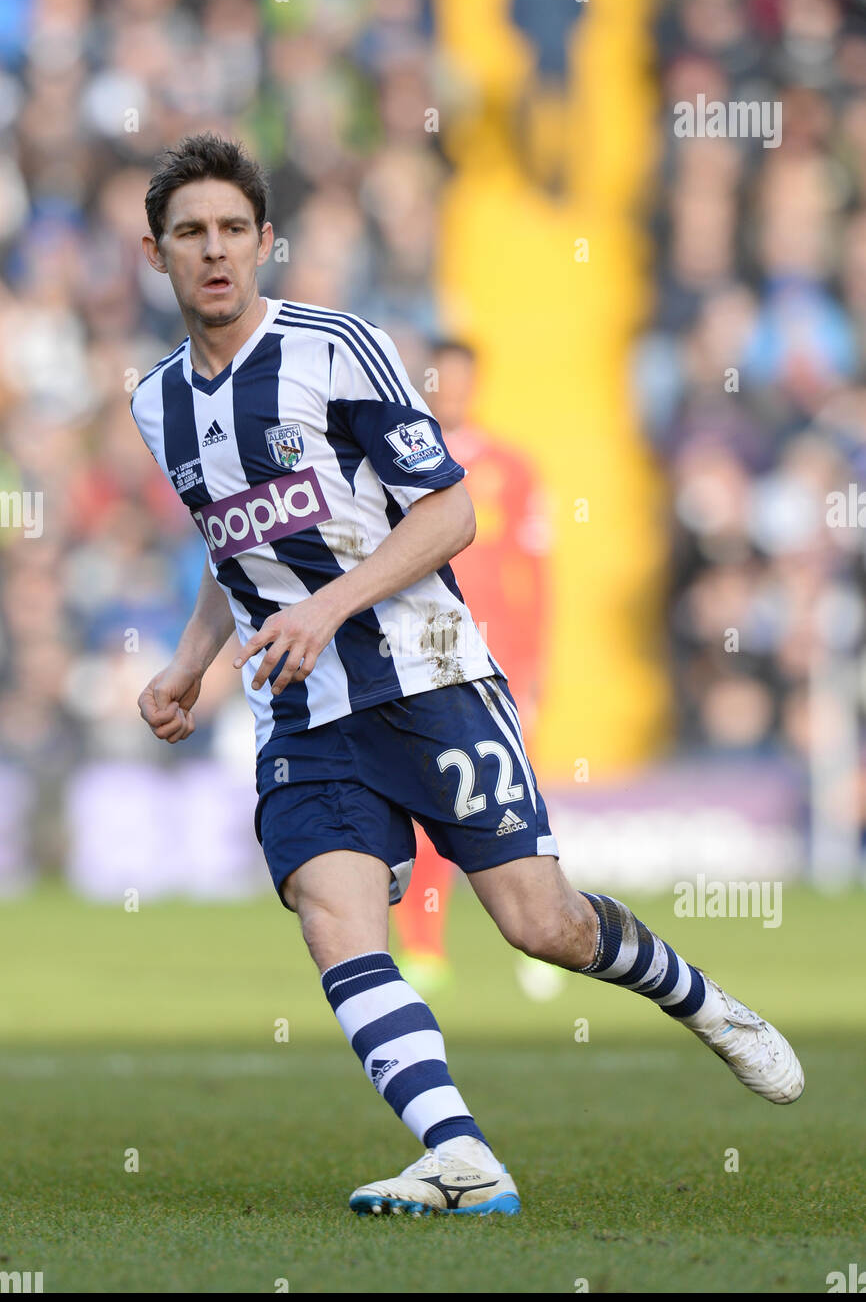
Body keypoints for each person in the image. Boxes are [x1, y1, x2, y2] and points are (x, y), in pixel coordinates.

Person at [133, 134, 803, 1219]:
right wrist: (188, 661)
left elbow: (451, 510)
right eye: (188, 235)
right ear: (154, 254)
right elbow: (233, 545)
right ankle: (460, 1156)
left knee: (543, 925)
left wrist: (329, 604)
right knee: (333, 914)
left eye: (229, 231)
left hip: (427, 676)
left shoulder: (336, 348)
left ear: (265, 241)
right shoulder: (155, 403)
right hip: (303, 708)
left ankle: (704, 1002)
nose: (212, 253)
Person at [393, 339, 554, 997]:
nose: (452, 391)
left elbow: (539, 572)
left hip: (501, 662)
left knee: (515, 804)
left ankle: (543, 936)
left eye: (463, 379)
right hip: (426, 654)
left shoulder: (512, 469)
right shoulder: (398, 463)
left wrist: (537, 663)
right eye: (442, 379)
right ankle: (424, 947)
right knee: (433, 805)